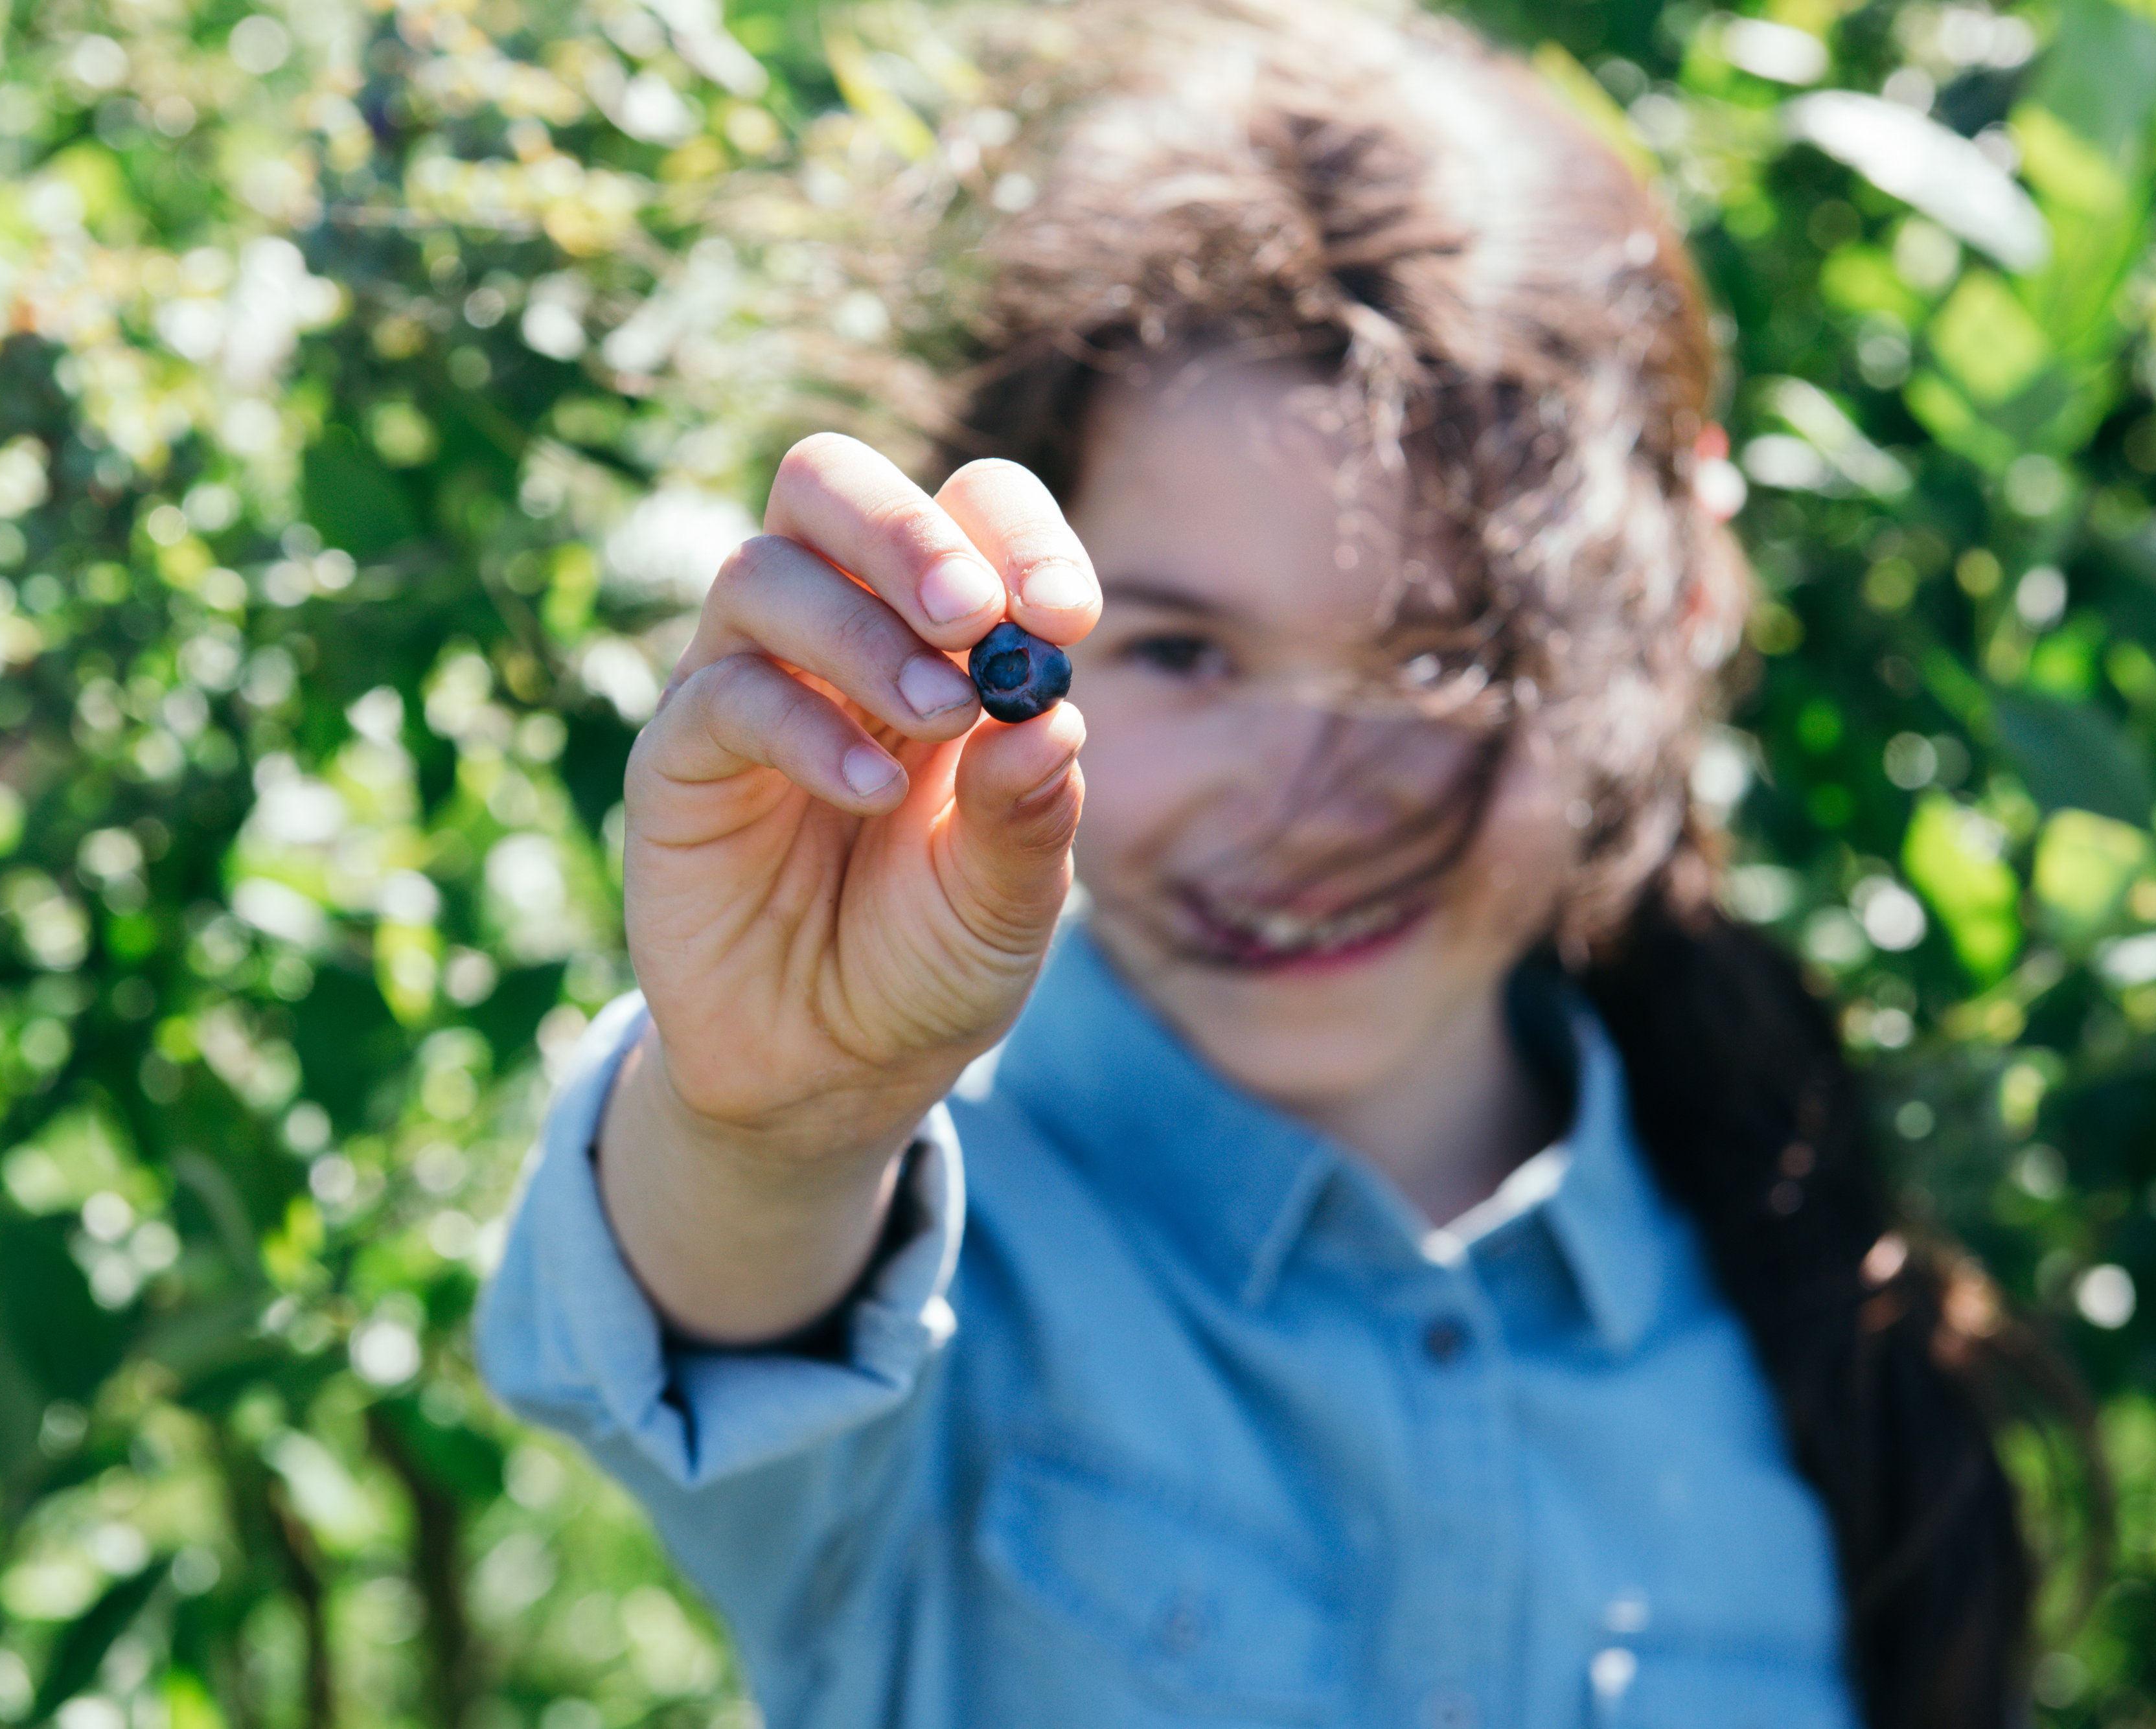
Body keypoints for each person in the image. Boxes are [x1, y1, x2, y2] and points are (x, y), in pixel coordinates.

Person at [475, 3, 2061, 1724]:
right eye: (1181, 652)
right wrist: (776, 1125)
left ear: (1675, 609)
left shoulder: (1803, 1324)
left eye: (1441, 657)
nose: (1305, 804)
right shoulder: (940, 1237)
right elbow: (724, 1293)